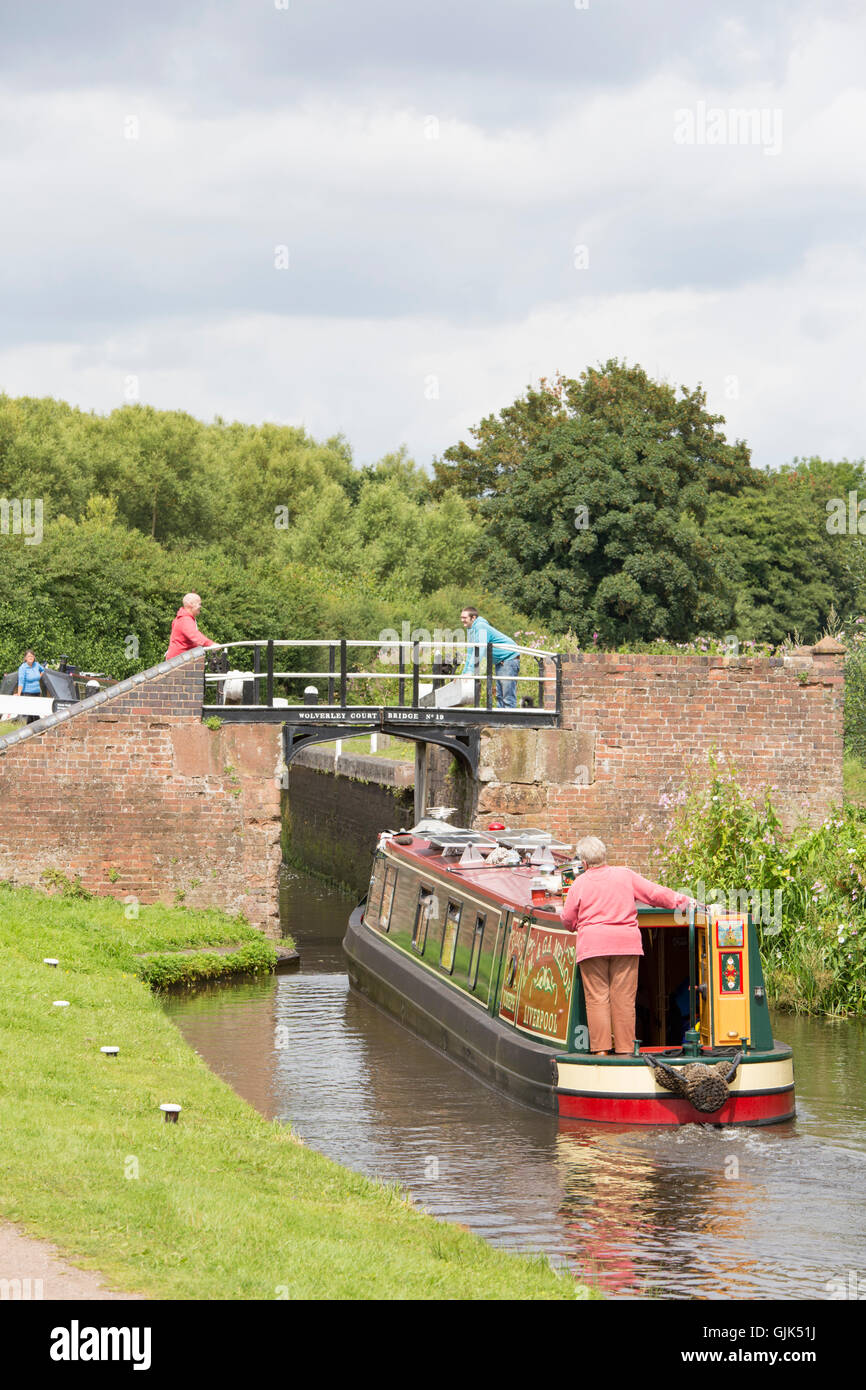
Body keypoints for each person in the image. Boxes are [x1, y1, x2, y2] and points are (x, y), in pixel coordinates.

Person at [561, 835, 694, 1056]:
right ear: (605, 856)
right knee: (623, 999)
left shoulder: (579, 883)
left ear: (583, 863)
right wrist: (685, 902)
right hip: (625, 944)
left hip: (593, 946)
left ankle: (601, 1051)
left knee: (597, 999)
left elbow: (567, 920)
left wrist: (578, 924)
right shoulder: (625, 875)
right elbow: (655, 894)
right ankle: (625, 1051)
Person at [459, 606, 520, 709]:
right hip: (500, 661)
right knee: (500, 696)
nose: (462, 620)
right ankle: (500, 722)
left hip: (509, 658)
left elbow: (480, 649)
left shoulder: (481, 627)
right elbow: (471, 652)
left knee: (507, 696)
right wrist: (465, 672)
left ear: (473, 618)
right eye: (461, 617)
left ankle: (510, 722)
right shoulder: (471, 630)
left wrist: (470, 671)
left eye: (464, 618)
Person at [165, 593, 218, 660]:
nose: (200, 607)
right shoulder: (185, 619)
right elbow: (195, 635)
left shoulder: (182, 618)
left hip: (180, 658)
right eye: (199, 604)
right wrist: (211, 644)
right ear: (191, 604)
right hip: (179, 660)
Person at [16, 649, 45, 722]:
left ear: (34, 657)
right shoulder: (23, 667)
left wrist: (39, 676)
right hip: (27, 693)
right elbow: (21, 681)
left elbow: (43, 670)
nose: (30, 657)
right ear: (25, 658)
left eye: (32, 656)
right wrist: (19, 694)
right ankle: (32, 730)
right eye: (28, 656)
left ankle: (35, 730)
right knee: (32, 714)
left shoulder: (37, 665)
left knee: (36, 712)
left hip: (37, 692)